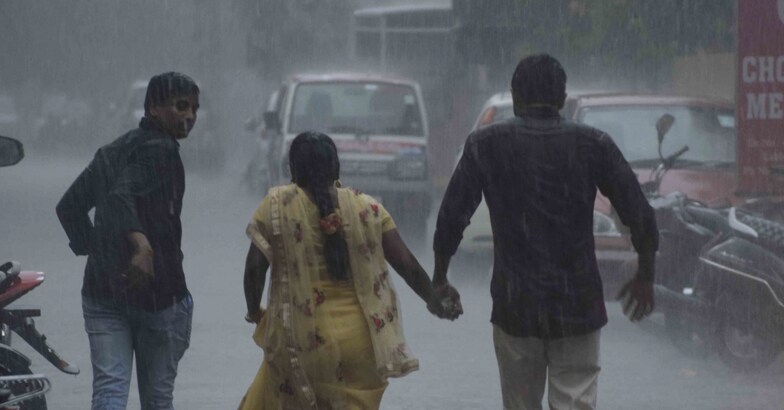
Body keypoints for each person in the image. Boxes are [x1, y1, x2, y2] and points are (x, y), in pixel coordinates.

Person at [432, 54, 659, 410]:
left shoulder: (485, 145)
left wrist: (440, 276)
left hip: (515, 304)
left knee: (520, 403)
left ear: (515, 96)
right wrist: (646, 274)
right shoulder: (593, 144)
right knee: (575, 400)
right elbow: (640, 215)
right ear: (561, 98)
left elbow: (451, 217)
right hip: (578, 304)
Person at [239, 131, 462, 409]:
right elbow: (407, 265)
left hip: (303, 342)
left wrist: (254, 311)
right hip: (360, 345)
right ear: (337, 168)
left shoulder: (276, 206)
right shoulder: (367, 208)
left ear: (293, 170)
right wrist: (435, 299)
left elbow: (254, 269)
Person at [56, 72, 199, 410]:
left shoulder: (111, 151)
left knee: (109, 391)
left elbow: (69, 207)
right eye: (181, 107)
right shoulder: (162, 151)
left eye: (194, 109)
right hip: (159, 295)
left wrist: (99, 250)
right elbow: (123, 196)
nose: (190, 117)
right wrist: (141, 246)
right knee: (158, 400)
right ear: (153, 107)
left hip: (103, 292)